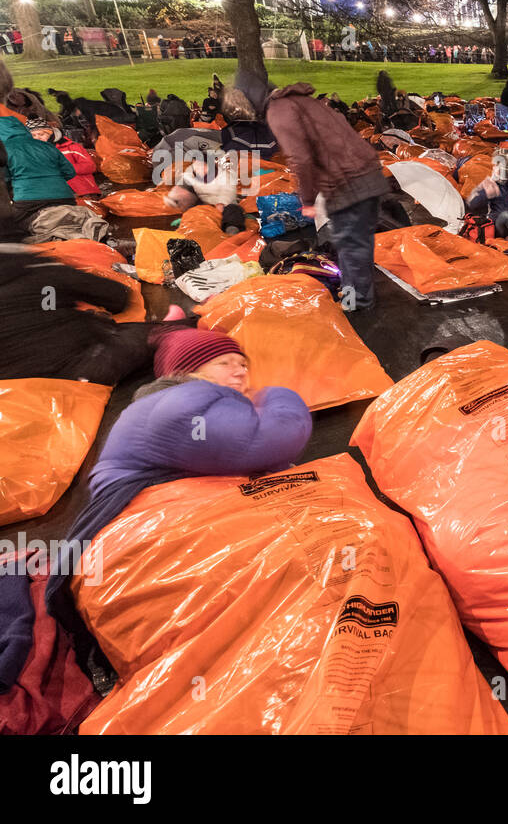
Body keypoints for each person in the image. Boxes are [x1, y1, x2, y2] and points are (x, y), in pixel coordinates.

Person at [45, 326, 312, 660]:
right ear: (187, 371)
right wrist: (278, 395)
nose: (240, 370)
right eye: (224, 362)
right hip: (143, 529)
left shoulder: (178, 401)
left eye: (243, 363)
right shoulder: (180, 403)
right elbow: (274, 438)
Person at [265, 81, 391, 311]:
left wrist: (308, 200)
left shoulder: (280, 110)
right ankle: (357, 291)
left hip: (346, 182)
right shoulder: (312, 104)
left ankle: (356, 301)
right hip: (369, 173)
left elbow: (302, 159)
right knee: (359, 242)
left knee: (349, 245)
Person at [0, 246, 168, 383]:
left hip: (14, 384)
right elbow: (116, 296)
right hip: (81, 365)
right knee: (169, 335)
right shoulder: (39, 270)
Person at [0, 115, 77, 235]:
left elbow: (4, 179)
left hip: (28, 199)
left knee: (7, 225)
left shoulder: (5, 149)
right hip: (65, 197)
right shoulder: (46, 145)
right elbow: (70, 172)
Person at [27, 123, 98, 196]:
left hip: (82, 191)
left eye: (41, 134)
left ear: (52, 134)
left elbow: (90, 166)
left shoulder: (72, 147)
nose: (37, 138)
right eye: (33, 136)